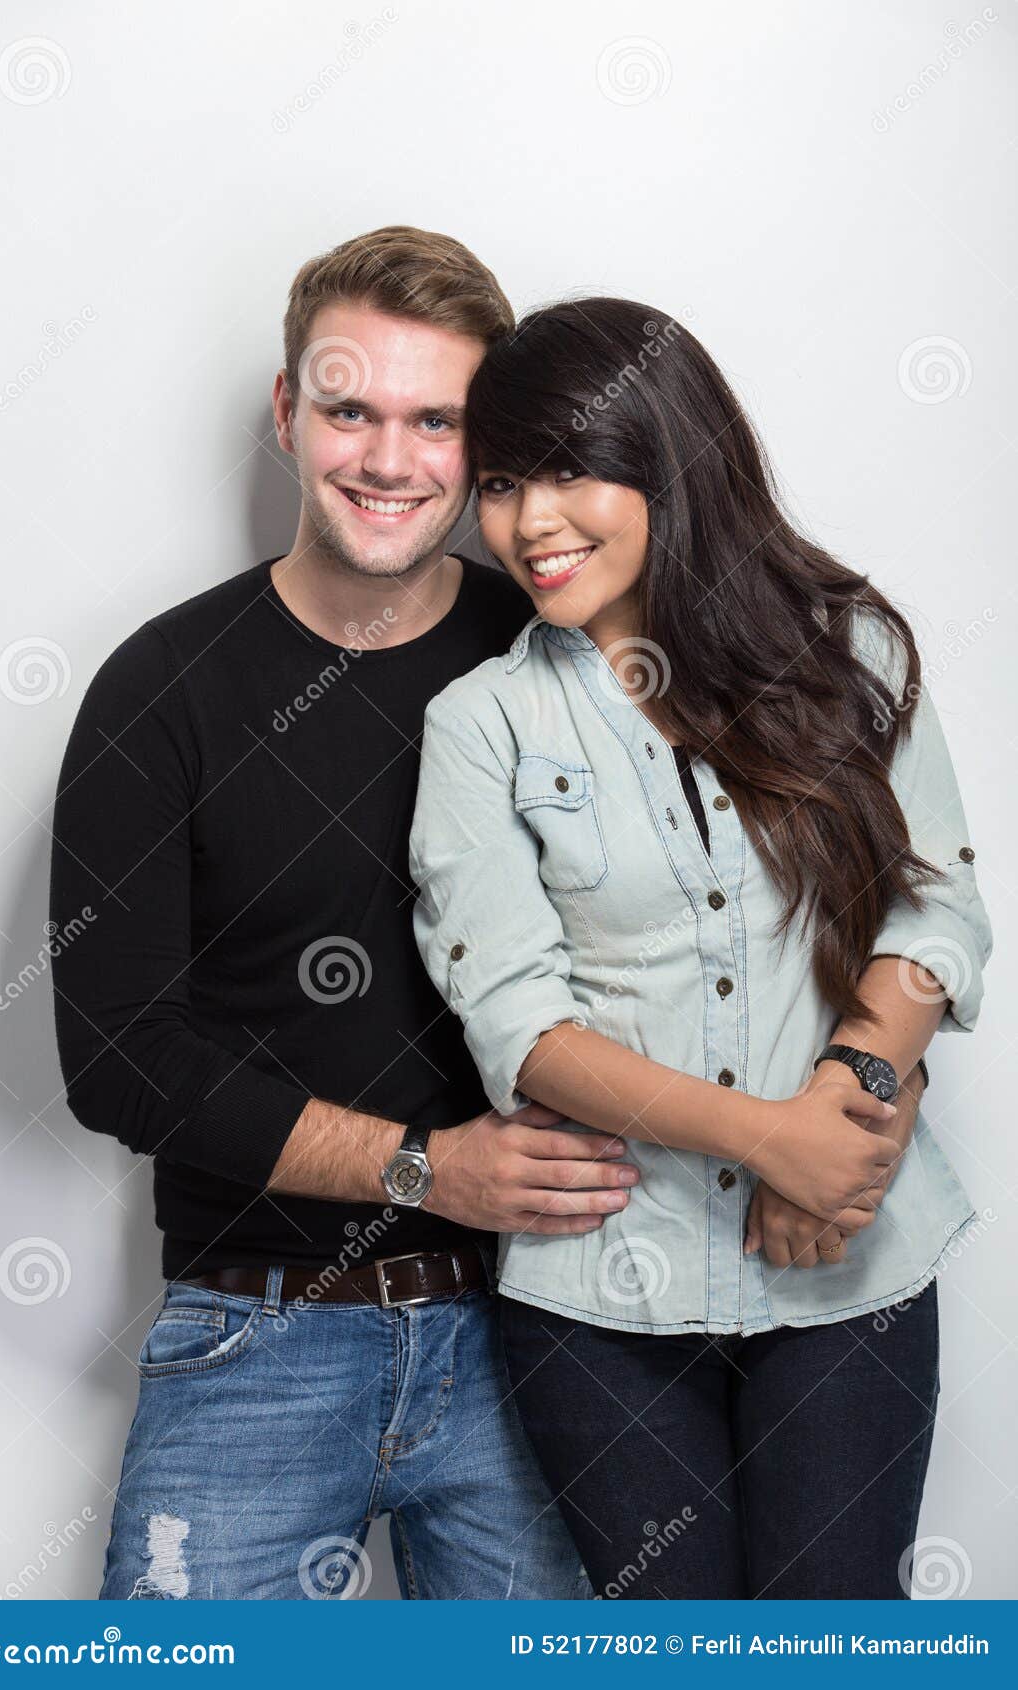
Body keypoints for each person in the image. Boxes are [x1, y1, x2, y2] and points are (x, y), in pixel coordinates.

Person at [49, 228, 612, 1601]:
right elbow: (120, 1055)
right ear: (288, 412)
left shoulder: (556, 666)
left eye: (438, 421)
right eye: (351, 408)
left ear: (486, 448)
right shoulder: (161, 687)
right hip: (254, 1338)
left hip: (544, 1332)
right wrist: (428, 1169)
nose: (387, 456)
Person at [408, 296, 993, 1599]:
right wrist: (762, 1137)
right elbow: (518, 1022)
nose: (531, 521)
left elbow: (934, 904)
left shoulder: (850, 646)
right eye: (500, 483)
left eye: (567, 466)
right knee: (671, 1651)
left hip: (854, 1259)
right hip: (602, 1295)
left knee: (833, 1639)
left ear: (666, 452)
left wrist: (848, 1098)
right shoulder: (481, 724)